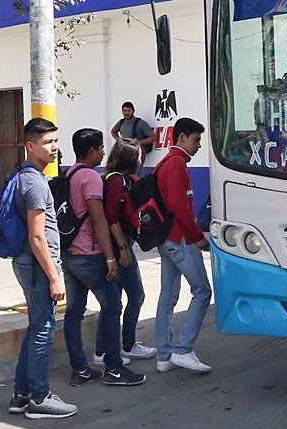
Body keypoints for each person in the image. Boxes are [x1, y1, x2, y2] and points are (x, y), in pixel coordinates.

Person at [60, 129, 146, 388]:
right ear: (90, 151)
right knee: (111, 306)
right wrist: (111, 257)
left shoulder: (71, 173)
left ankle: (80, 369)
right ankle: (114, 368)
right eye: (99, 149)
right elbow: (100, 219)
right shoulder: (91, 178)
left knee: (73, 313)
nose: (103, 153)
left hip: (70, 253)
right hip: (90, 254)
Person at [8, 118, 76, 419]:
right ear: (30, 145)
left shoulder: (24, 176)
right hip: (38, 266)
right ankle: (39, 397)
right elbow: (37, 237)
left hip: (29, 263)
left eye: (55, 141)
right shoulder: (35, 182)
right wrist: (54, 276)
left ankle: (22, 394)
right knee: (43, 331)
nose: (54, 147)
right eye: (47, 142)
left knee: (36, 327)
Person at [154, 116, 213, 374]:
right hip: (180, 239)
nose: (198, 145)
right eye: (196, 139)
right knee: (202, 291)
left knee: (167, 296)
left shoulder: (165, 163)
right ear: (181, 137)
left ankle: (164, 355)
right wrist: (197, 235)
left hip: (167, 238)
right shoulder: (177, 163)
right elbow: (179, 206)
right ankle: (183, 349)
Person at [99, 139, 156, 362]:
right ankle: (128, 345)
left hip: (121, 243)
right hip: (119, 244)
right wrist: (122, 248)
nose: (142, 159)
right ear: (132, 159)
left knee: (114, 300)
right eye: (139, 154)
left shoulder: (121, 180)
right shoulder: (116, 181)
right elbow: (111, 217)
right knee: (136, 294)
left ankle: (102, 350)